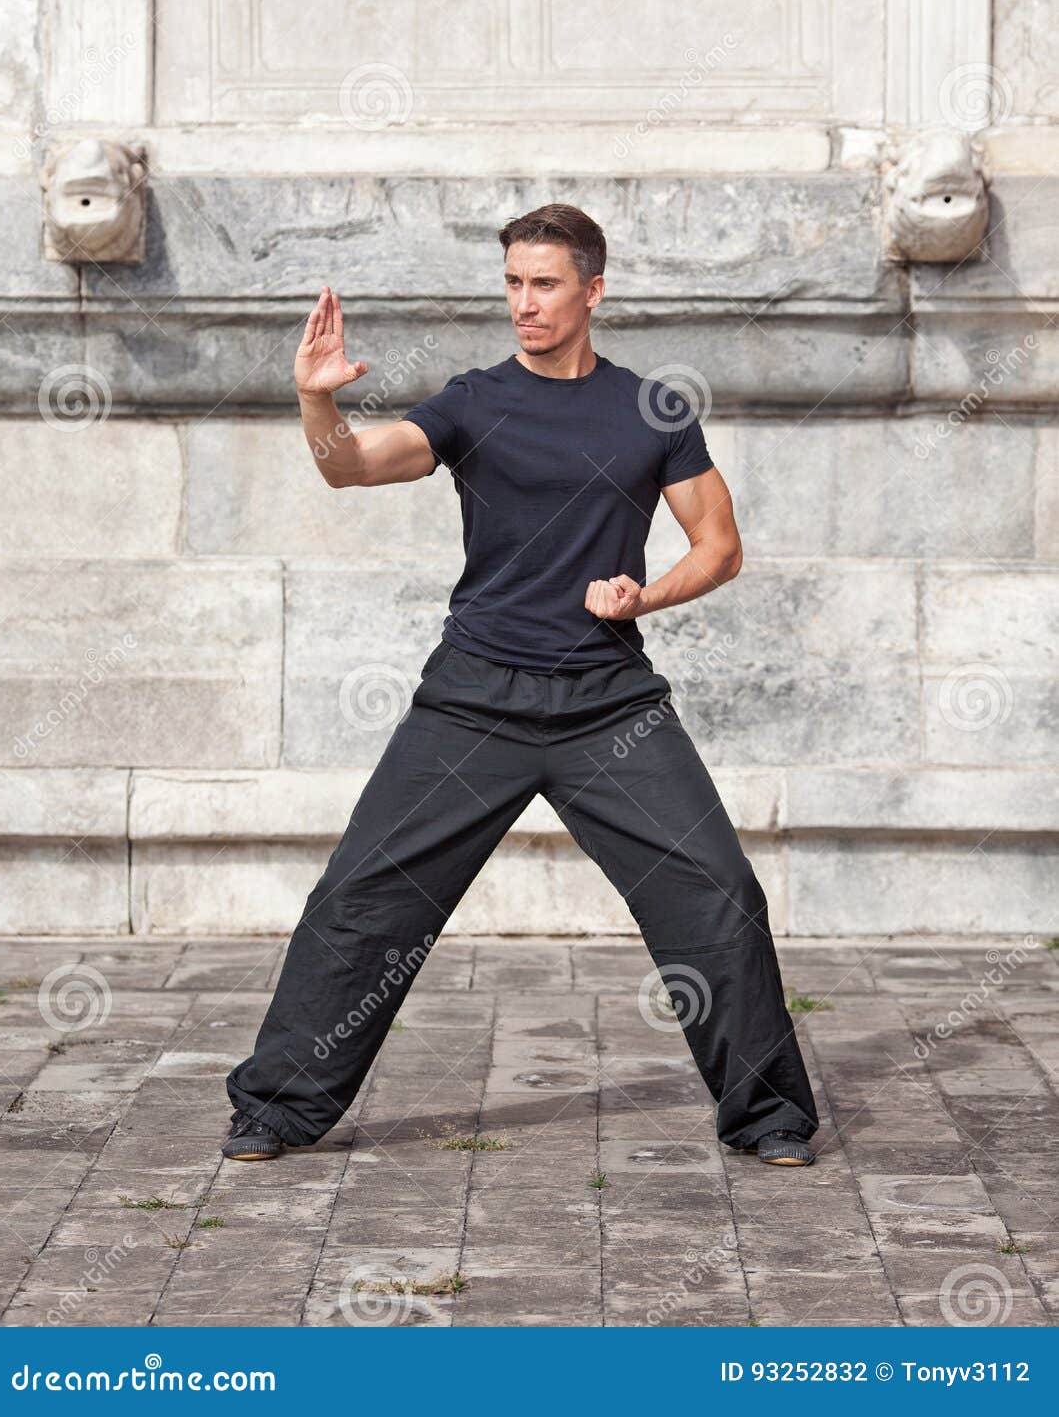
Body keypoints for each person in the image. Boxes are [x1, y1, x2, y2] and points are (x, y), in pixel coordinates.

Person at [222, 203, 818, 1168]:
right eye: (512, 283)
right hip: (474, 699)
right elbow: (352, 469)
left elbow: (718, 547)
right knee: (362, 897)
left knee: (719, 892)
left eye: (544, 284)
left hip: (606, 706)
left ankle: (769, 1115)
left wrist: (643, 597)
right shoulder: (474, 401)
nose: (524, 303)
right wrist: (316, 401)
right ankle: (275, 1106)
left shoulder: (653, 410)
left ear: (592, 289)